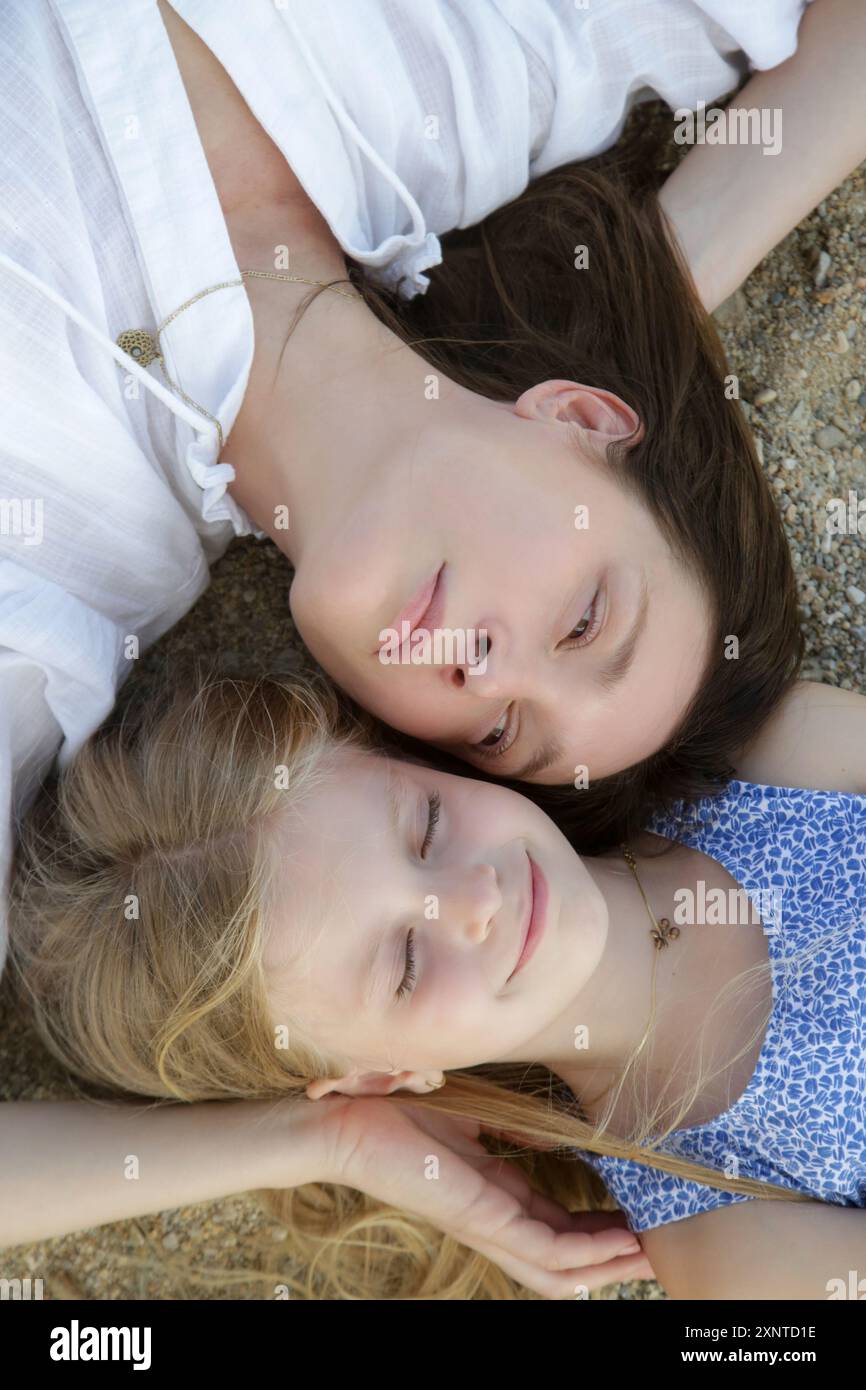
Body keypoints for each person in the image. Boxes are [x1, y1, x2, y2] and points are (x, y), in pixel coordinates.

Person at [2, 0, 864, 1264]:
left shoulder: (49, 604)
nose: (490, 665)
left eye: (499, 734)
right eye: (583, 618)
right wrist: (643, 319)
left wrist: (315, 1137)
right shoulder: (502, 64)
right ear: (578, 415)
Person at [9, 671, 866, 1299]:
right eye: (406, 964)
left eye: (427, 826)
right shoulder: (717, 1238)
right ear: (380, 1078)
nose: (477, 899)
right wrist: (332, 1139)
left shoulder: (770, 761)